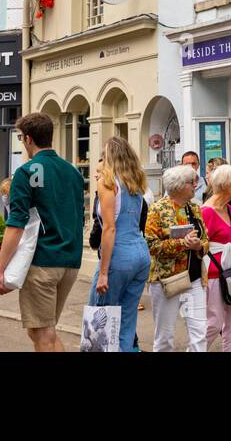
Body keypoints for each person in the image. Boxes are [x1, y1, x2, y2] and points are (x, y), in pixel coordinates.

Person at [0, 112, 85, 352]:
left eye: (22, 137)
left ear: (28, 139)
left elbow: (16, 223)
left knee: (43, 332)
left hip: (43, 260)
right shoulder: (73, 172)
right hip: (70, 261)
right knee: (42, 329)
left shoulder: (27, 172)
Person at [89, 136, 151, 353]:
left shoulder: (107, 182)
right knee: (126, 319)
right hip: (141, 254)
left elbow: (109, 228)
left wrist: (103, 272)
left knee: (100, 319)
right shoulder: (136, 184)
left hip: (120, 255)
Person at [145, 164, 209, 352]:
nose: (195, 186)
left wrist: (199, 246)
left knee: (200, 333)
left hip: (195, 278)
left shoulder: (196, 209)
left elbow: (206, 239)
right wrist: (182, 243)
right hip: (167, 280)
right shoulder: (157, 209)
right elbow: (151, 245)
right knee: (165, 338)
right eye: (191, 182)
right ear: (180, 186)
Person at [203, 163, 231, 352]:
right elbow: (201, 247)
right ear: (223, 184)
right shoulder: (206, 212)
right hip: (213, 274)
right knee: (214, 322)